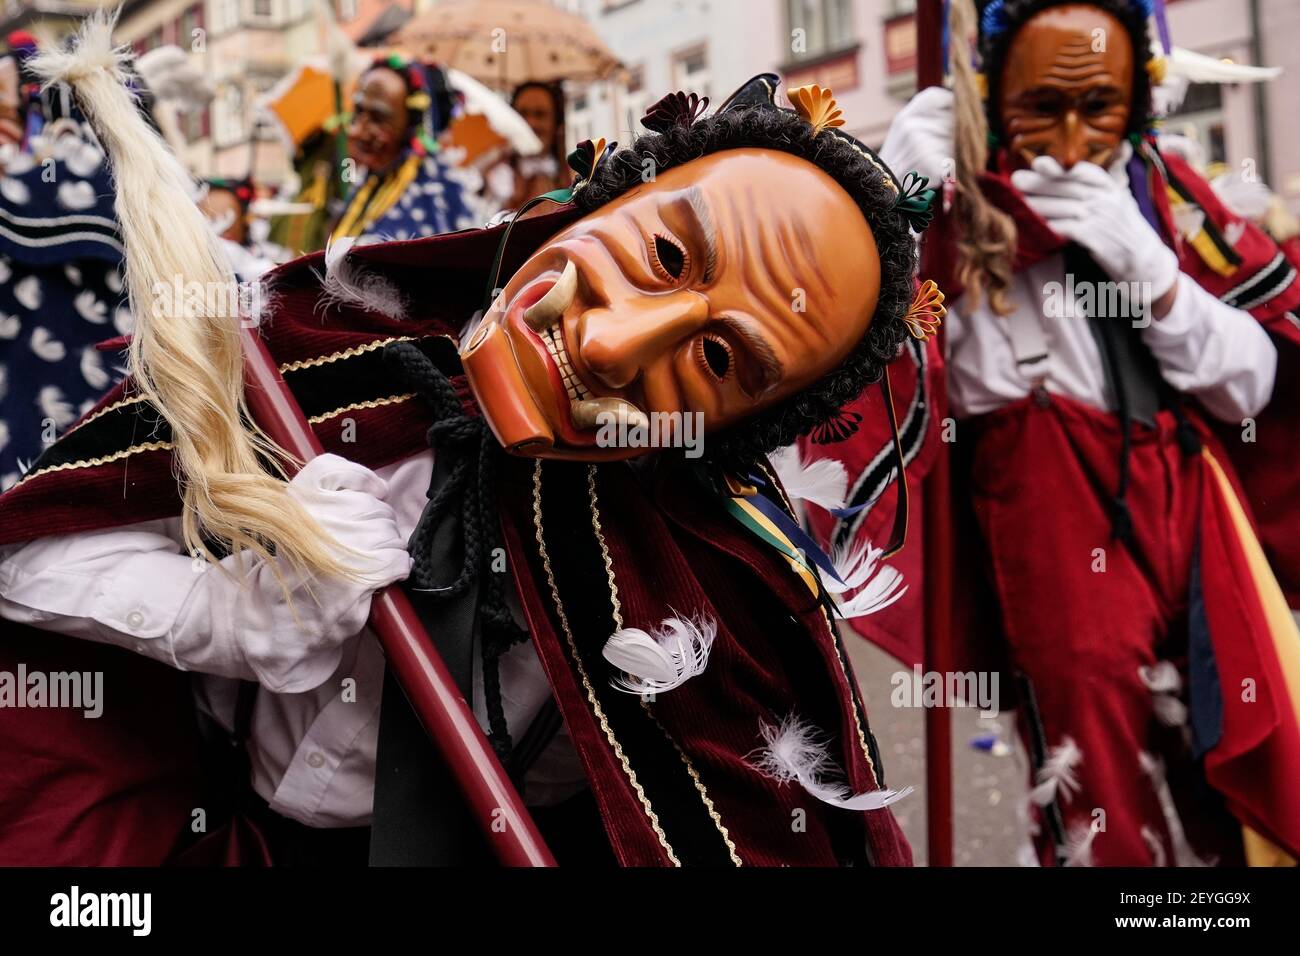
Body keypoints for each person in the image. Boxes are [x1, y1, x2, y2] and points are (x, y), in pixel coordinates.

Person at [2, 15, 934, 867]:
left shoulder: (709, 588)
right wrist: (224, 613)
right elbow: (28, 552)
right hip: (179, 808)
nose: (610, 346)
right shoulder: (327, 351)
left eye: (723, 357)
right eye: (665, 256)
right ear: (602, 201)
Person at [870, 0, 1300, 865]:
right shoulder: (952, 200)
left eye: (1097, 106)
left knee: (1220, 754)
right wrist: (890, 222)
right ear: (993, 94)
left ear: (1138, 98)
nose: (1069, 143)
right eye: (1041, 107)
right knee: (1097, 775)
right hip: (1046, 509)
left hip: (1186, 499)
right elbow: (871, 377)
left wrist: (1154, 276)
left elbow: (1254, 385)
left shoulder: (1166, 194)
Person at [331, 54, 483, 244]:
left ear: (412, 125)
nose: (357, 130)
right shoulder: (370, 182)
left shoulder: (435, 195)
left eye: (378, 118)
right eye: (359, 111)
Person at [482, 81, 568, 214]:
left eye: (540, 114)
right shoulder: (492, 176)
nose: (530, 123)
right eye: (522, 114)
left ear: (556, 124)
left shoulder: (574, 179)